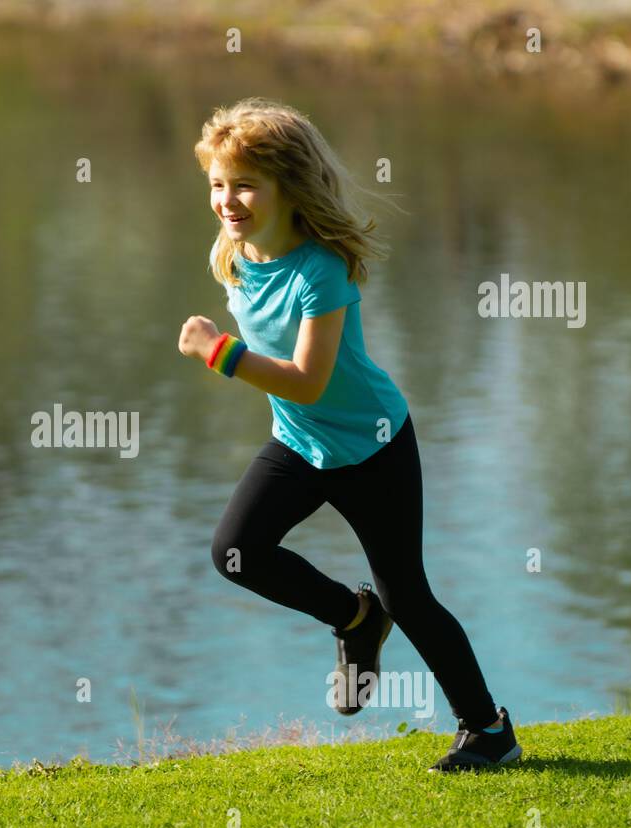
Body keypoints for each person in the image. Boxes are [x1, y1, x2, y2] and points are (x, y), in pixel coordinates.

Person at [178, 97, 521, 771]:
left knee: (408, 595)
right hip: (301, 442)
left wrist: (219, 353)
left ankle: (488, 730)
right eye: (218, 183)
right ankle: (354, 619)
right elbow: (299, 400)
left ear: (289, 186)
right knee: (236, 550)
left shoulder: (322, 271)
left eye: (245, 183)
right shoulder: (234, 253)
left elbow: (307, 377)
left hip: (372, 446)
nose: (228, 199)